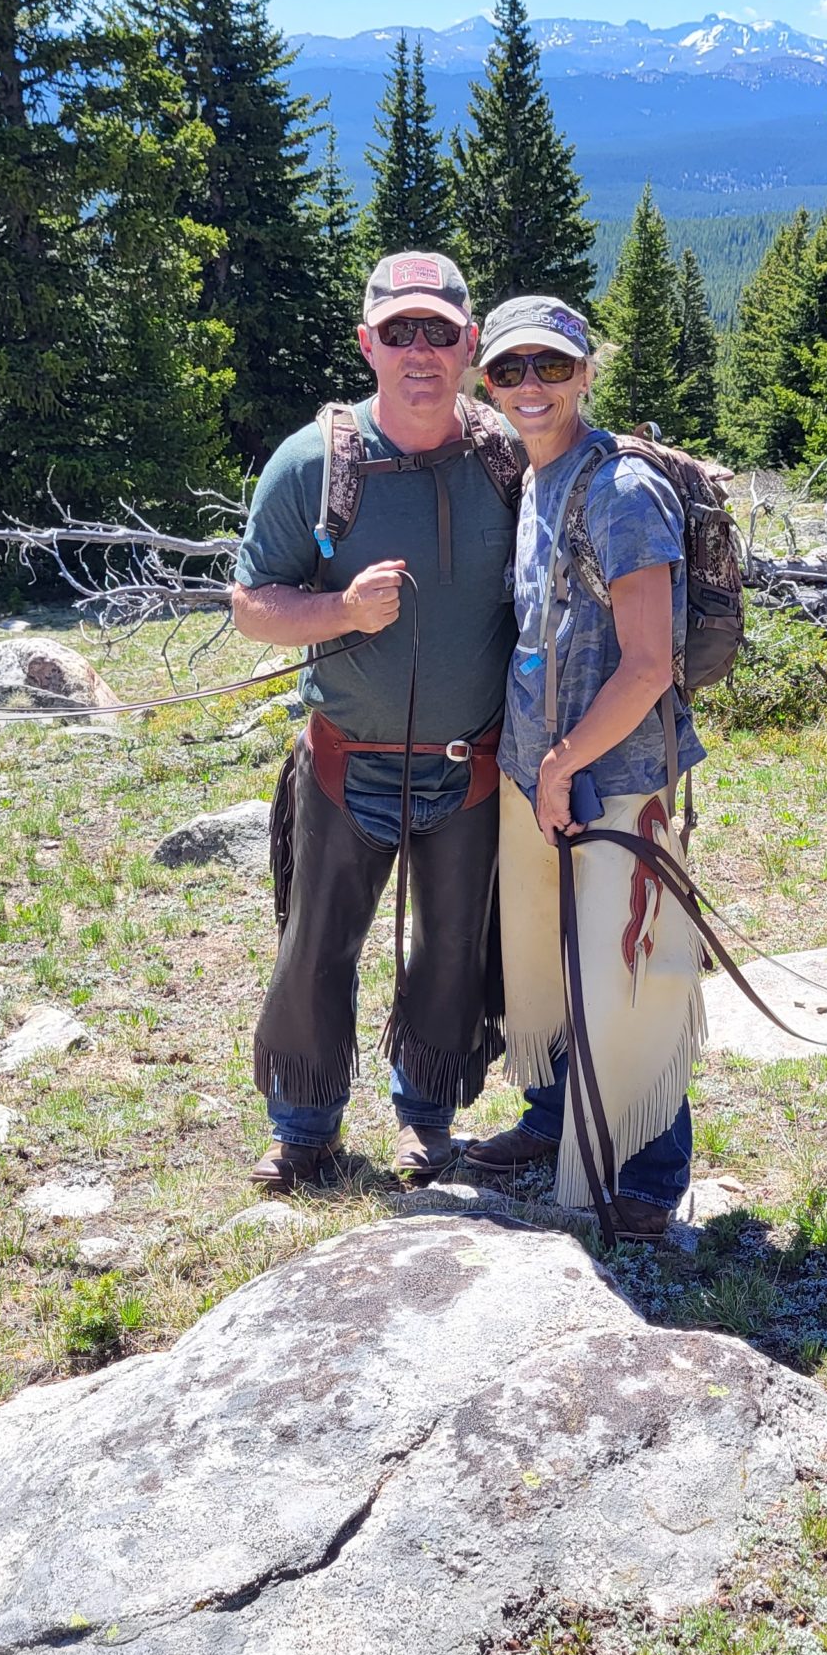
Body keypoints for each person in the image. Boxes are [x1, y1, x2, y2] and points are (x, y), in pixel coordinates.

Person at [231, 251, 520, 1191]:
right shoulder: (313, 463)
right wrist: (342, 612)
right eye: (400, 331)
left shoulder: (507, 458)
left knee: (451, 954)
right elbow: (251, 605)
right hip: (344, 762)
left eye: (440, 331)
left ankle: (426, 1121)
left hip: (470, 766)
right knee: (315, 949)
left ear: (470, 345)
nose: (420, 350)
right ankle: (302, 1129)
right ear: (368, 345)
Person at [454, 296, 704, 1239]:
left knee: (630, 970)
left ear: (587, 374)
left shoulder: (622, 490)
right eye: (510, 369)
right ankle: (556, 1116)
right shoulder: (537, 478)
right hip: (545, 775)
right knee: (549, 960)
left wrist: (561, 765)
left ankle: (648, 1167)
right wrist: (538, 769)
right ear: (489, 383)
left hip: (619, 777)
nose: (532, 386)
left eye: (552, 367)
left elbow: (647, 667)